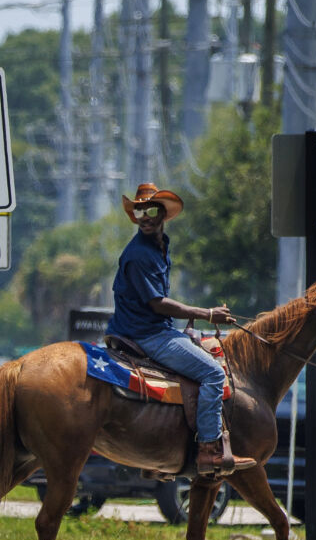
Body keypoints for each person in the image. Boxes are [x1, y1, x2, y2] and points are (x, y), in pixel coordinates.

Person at [105, 182, 251, 479]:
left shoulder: (159, 246)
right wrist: (208, 314)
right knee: (213, 374)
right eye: (139, 210)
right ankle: (209, 449)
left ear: (164, 214)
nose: (144, 216)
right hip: (147, 335)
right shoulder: (139, 255)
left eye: (151, 209)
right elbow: (158, 304)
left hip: (152, 329)